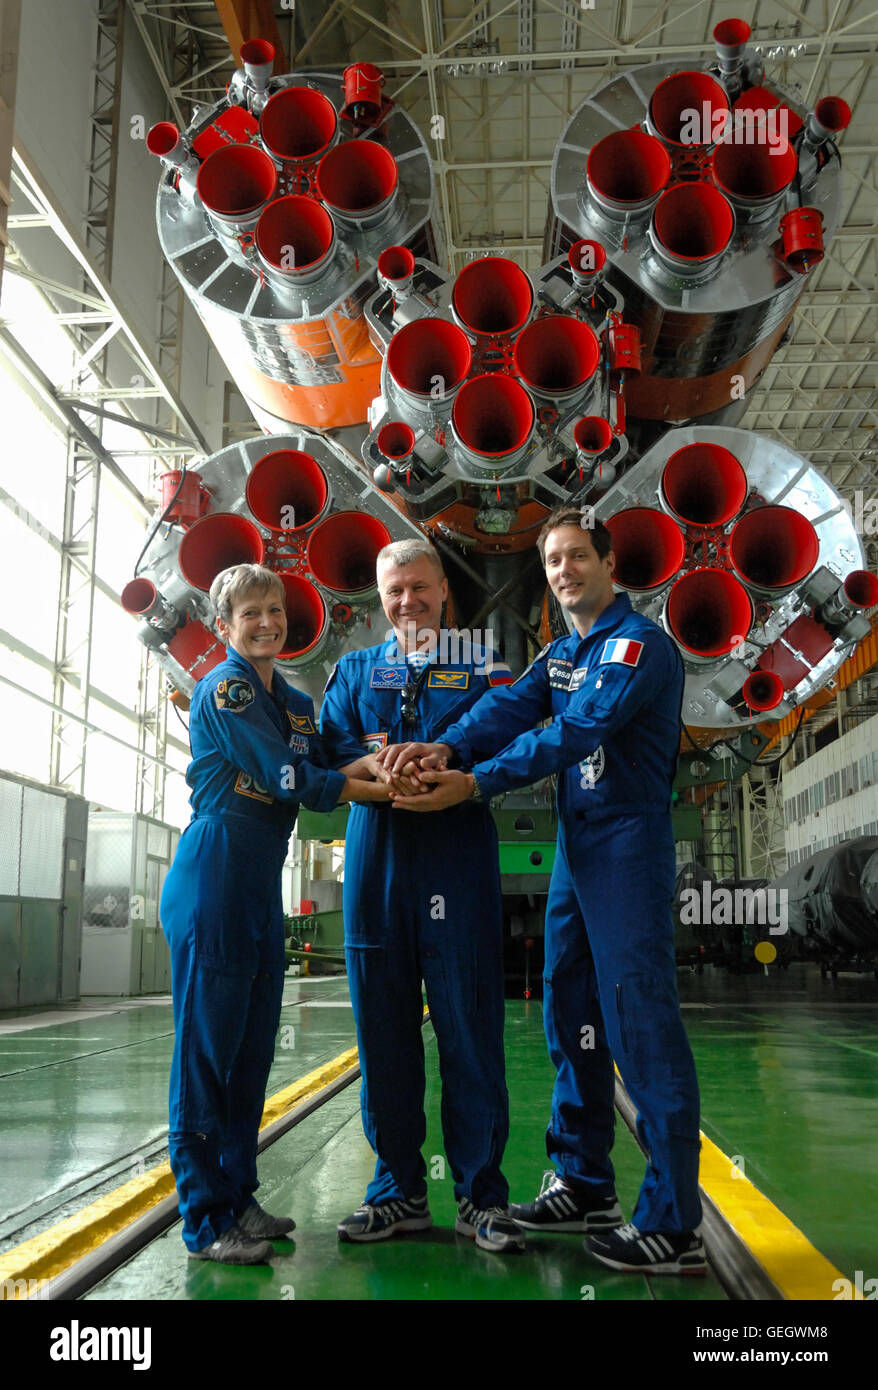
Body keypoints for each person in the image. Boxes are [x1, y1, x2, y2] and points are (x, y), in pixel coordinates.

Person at [381, 507, 705, 1276]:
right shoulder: (565, 652)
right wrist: (449, 742)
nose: (562, 572)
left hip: (626, 850)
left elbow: (576, 732)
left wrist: (473, 781)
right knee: (571, 1009)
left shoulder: (635, 648)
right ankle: (584, 1179)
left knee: (639, 1024)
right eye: (553, 561)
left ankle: (672, 1223)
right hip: (577, 851)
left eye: (576, 558)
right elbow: (514, 705)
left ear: (609, 565)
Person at [160, 562, 388, 1265]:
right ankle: (203, 1220)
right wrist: (369, 788)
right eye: (249, 612)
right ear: (224, 626)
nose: (266, 622)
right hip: (217, 867)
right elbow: (292, 777)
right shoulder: (224, 689)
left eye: (275, 609)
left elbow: (325, 753)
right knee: (206, 1053)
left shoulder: (290, 700)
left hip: (261, 877)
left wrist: (380, 755)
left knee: (252, 1049)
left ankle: (238, 1196)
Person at [318, 538, 526, 1253]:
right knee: (383, 1031)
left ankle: (481, 1198)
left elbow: (506, 734)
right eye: (393, 591)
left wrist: (450, 762)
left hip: (457, 857)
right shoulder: (351, 671)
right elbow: (329, 752)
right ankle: (397, 1190)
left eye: (418, 587)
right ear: (380, 598)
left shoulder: (484, 664)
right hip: (377, 860)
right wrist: (380, 768)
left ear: (442, 587)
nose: (406, 601)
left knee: (470, 1029)